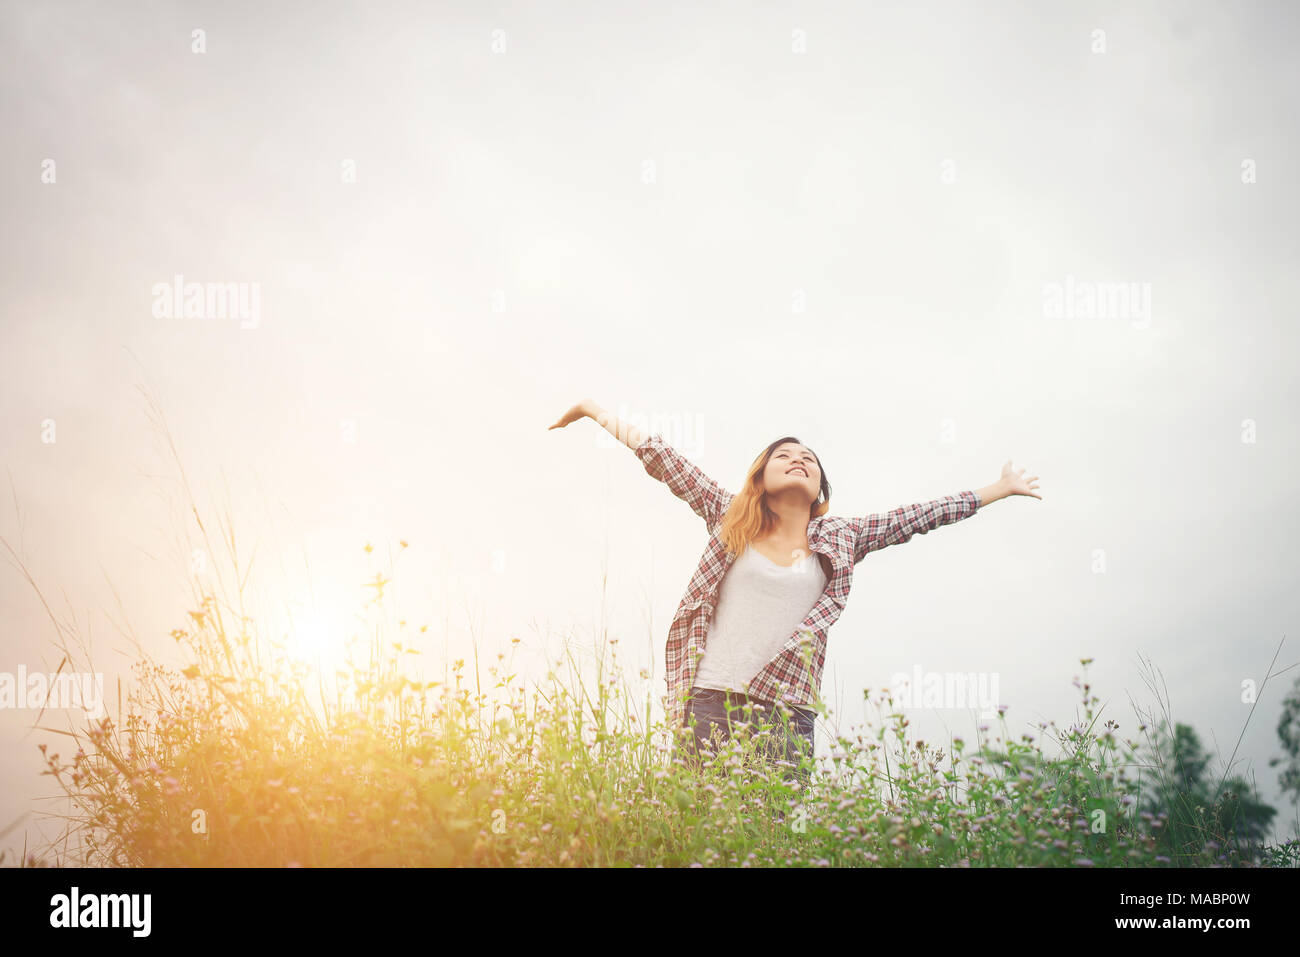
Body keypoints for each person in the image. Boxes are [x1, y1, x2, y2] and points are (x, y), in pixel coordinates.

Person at [547, 399, 1042, 790]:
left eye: (808, 459)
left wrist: (998, 489)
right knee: (702, 835)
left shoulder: (843, 538)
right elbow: (662, 459)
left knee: (770, 841)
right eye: (783, 456)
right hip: (712, 701)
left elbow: (917, 516)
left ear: (820, 487)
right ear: (760, 478)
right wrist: (594, 409)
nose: (798, 460)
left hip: (788, 714)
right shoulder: (729, 517)